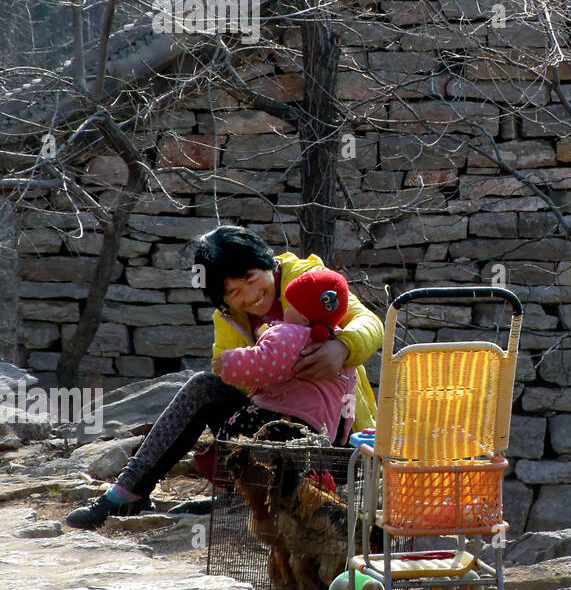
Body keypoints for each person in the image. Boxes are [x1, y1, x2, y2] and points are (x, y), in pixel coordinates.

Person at [67, 225, 381, 529]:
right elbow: (242, 388)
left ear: (266, 264)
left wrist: (342, 347)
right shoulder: (229, 320)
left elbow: (368, 321)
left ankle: (251, 496)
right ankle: (129, 491)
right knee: (203, 387)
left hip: (337, 442)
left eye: (249, 278)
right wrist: (266, 364)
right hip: (277, 429)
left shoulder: (306, 281)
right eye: (233, 291)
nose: (249, 295)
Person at [211, 268, 357, 443]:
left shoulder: (291, 335)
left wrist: (230, 364)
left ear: (303, 318)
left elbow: (264, 364)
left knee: (230, 432)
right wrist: (341, 436)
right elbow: (348, 396)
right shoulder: (338, 344)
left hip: (281, 416)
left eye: (290, 307)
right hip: (321, 430)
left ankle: (214, 461)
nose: (285, 312)